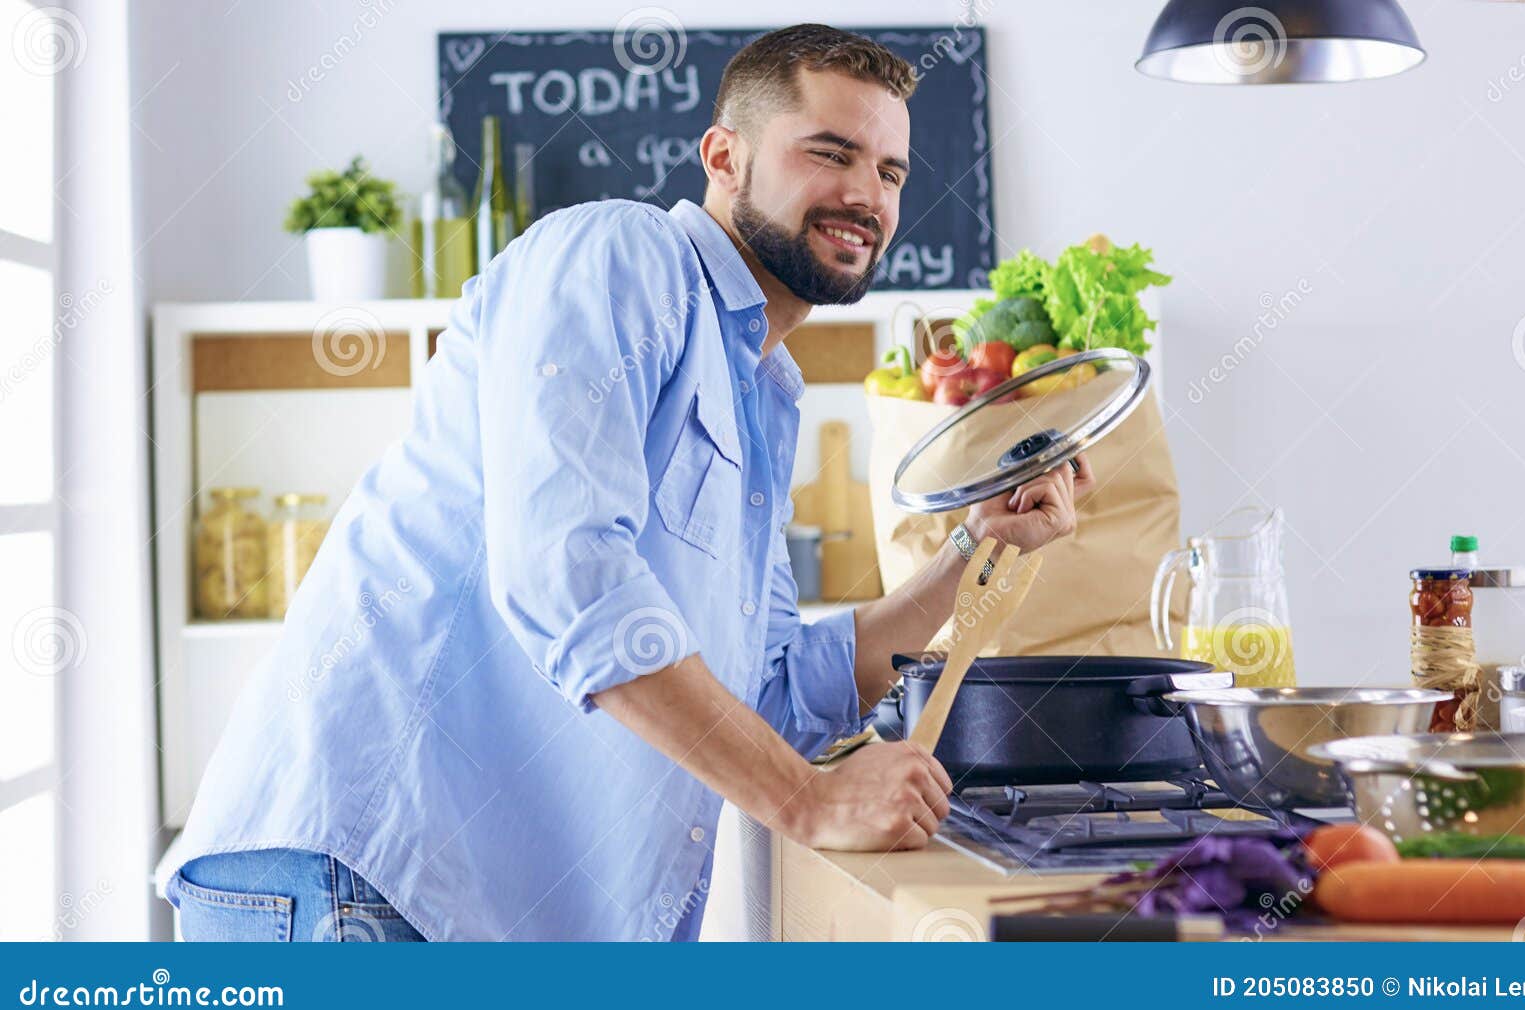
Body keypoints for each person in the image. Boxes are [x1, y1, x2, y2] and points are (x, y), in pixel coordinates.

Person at [159, 23, 1093, 942]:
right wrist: (807, 800)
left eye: (889, 173)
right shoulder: (620, 256)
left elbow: (771, 691)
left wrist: (975, 548)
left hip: (465, 913)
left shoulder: (761, 387)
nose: (867, 194)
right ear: (723, 156)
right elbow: (565, 571)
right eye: (831, 152)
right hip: (369, 881)